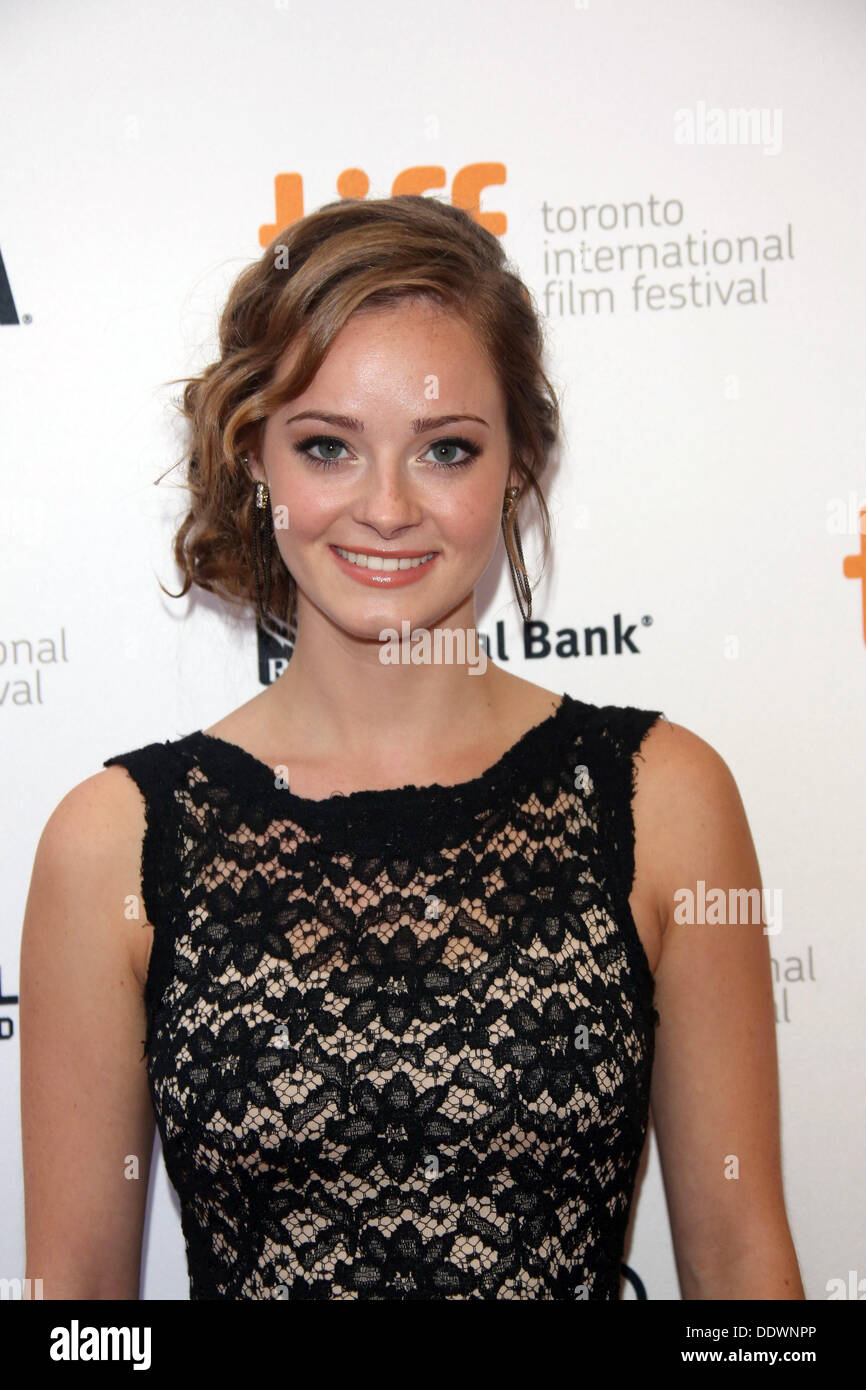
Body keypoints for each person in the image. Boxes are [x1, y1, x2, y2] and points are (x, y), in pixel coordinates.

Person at [19, 194, 804, 1300]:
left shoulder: (661, 799)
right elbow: (77, 1309)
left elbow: (736, 1264)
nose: (385, 508)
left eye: (443, 449)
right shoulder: (114, 842)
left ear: (516, 467)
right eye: (328, 445)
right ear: (256, 460)